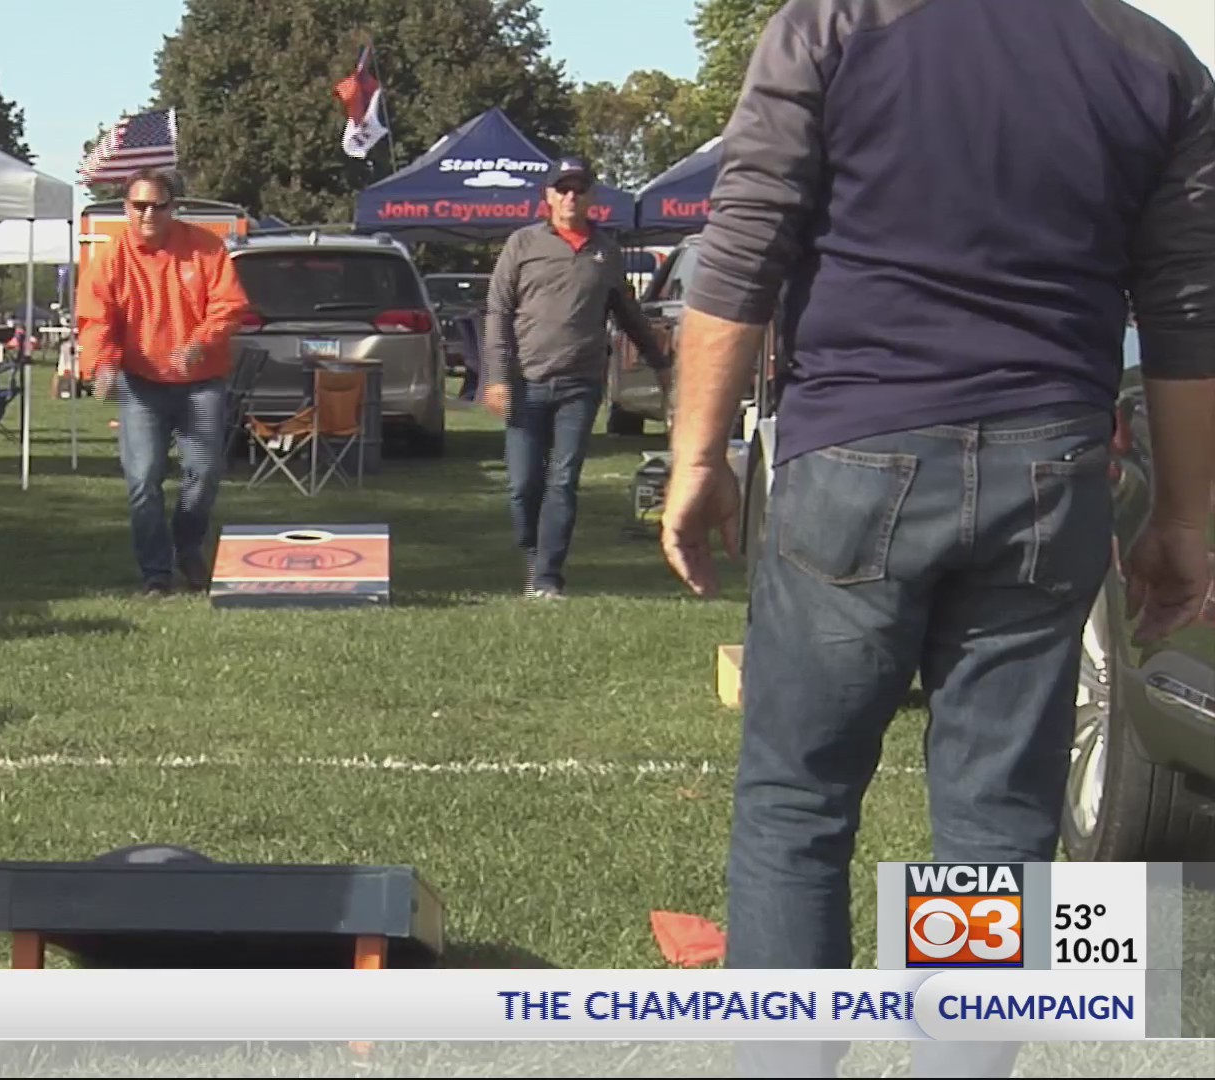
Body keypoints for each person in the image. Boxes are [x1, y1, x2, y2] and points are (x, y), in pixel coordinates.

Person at [658, 1, 1214, 1076]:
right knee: (996, 824)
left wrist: (696, 459)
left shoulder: (831, 24)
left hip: (854, 450)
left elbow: (744, 248)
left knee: (798, 803)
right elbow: (1188, 308)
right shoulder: (1157, 62)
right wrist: (1185, 518)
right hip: (1049, 470)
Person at [482, 156, 672, 598]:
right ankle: (532, 554)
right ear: (547, 196)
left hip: (579, 385)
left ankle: (548, 576)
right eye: (563, 189)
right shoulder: (523, 244)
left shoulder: (606, 252)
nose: (571, 196)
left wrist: (661, 364)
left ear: (591, 197)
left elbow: (628, 314)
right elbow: (498, 313)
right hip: (526, 383)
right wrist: (496, 377)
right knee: (523, 485)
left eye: (579, 189)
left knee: (563, 481)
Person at [76, 168, 251, 595]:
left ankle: (187, 547)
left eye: (158, 205)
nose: (149, 214)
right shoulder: (111, 258)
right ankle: (156, 572)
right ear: (126, 208)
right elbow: (97, 320)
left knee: (204, 473)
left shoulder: (206, 247)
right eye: (140, 206)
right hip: (142, 385)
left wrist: (199, 344)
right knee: (142, 479)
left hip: (201, 382)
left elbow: (228, 306)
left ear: (174, 208)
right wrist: (102, 365)